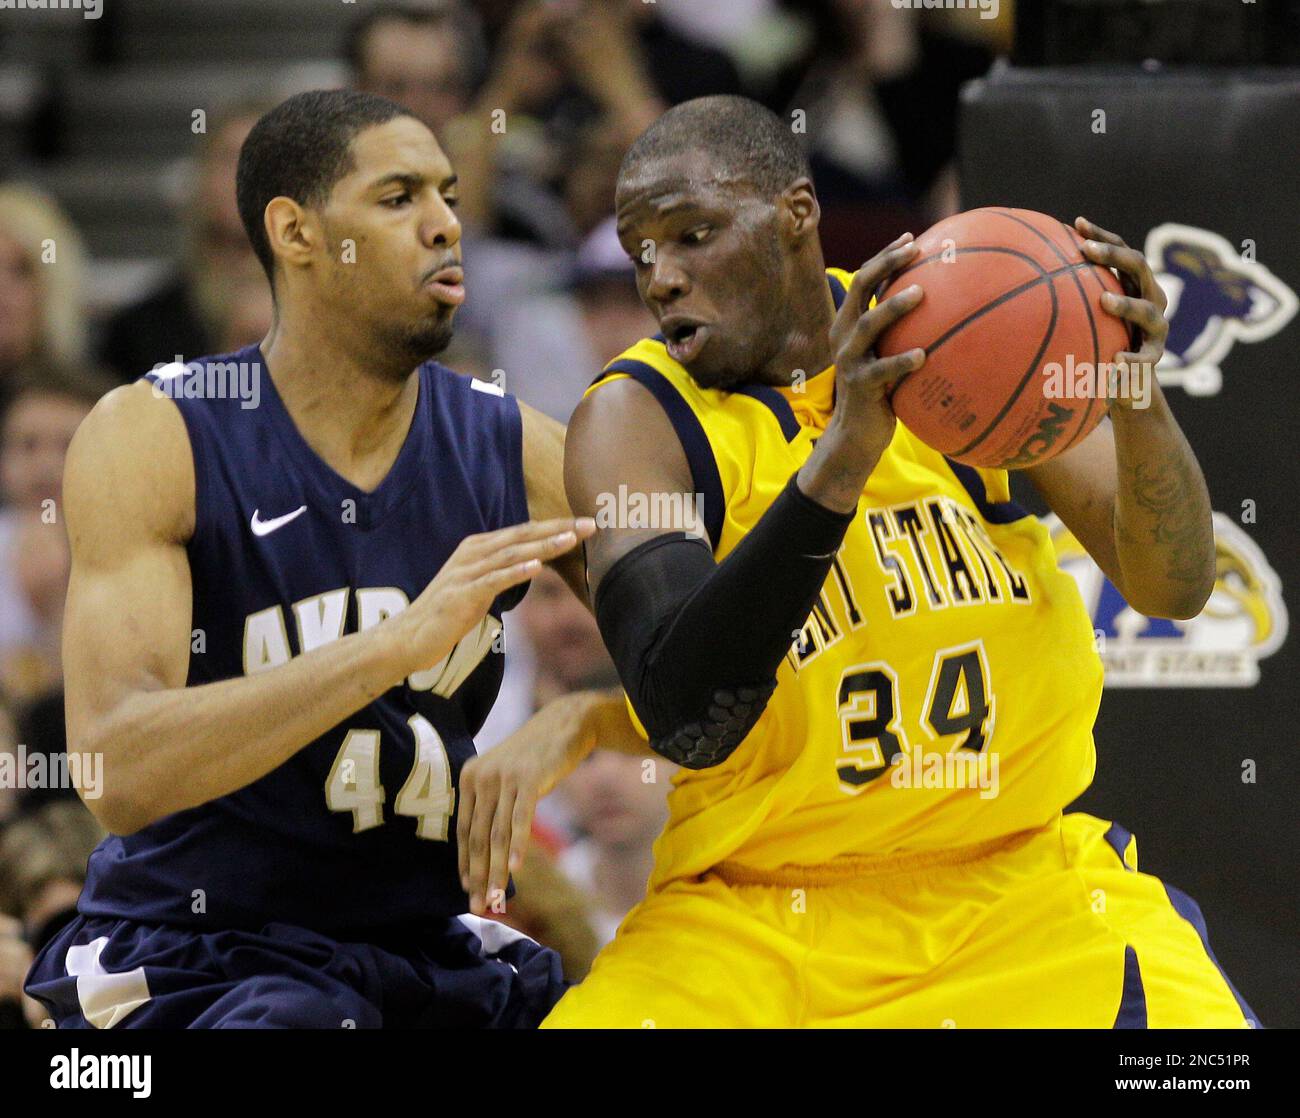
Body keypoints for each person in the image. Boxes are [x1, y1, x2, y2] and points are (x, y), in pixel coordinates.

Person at [542, 95, 1257, 1028]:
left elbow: (1176, 584)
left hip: (1021, 891)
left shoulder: (945, 335)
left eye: (694, 234)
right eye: (644, 253)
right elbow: (688, 721)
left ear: (796, 213)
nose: (662, 278)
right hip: (763, 917)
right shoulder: (637, 421)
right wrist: (840, 461)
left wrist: (1134, 401)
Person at [23, 88, 638, 1029]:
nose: (444, 224)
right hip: (200, 951)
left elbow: (718, 683)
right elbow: (115, 772)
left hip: (419, 943)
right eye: (399, 199)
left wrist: (588, 720)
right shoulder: (157, 435)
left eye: (446, 194)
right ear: (296, 232)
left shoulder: (511, 444)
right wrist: (389, 648)